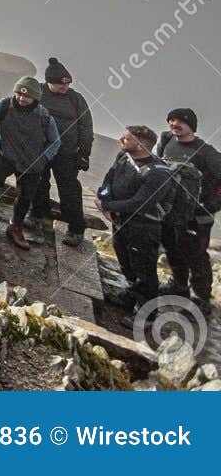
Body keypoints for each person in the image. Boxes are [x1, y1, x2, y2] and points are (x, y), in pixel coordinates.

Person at [0, 78, 60, 249]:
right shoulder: (2, 106)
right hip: (6, 156)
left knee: (26, 196)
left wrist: (44, 158)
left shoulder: (44, 116)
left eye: (26, 96)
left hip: (32, 161)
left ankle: (16, 226)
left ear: (35, 98)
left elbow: (55, 141)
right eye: (19, 93)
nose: (21, 98)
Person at [98, 125, 177, 307]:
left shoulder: (158, 173)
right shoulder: (123, 157)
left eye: (126, 139)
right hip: (121, 221)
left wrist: (106, 205)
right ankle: (130, 296)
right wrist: (105, 200)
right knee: (125, 261)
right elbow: (109, 179)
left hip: (144, 227)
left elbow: (140, 203)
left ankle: (147, 313)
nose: (120, 140)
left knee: (144, 269)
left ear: (141, 145)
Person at [157, 108, 221, 312]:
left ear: (191, 126)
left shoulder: (205, 151)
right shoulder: (167, 141)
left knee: (196, 255)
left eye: (180, 121)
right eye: (171, 120)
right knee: (172, 247)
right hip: (171, 210)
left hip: (198, 215)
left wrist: (211, 206)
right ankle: (179, 286)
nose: (174, 124)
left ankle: (202, 300)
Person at [28, 57, 94, 246]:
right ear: (49, 81)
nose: (65, 87)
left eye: (67, 83)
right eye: (60, 84)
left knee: (69, 190)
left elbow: (86, 126)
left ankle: (75, 229)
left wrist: (84, 153)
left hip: (66, 153)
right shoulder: (37, 92)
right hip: (40, 150)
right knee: (38, 184)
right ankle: (37, 216)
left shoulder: (76, 99)